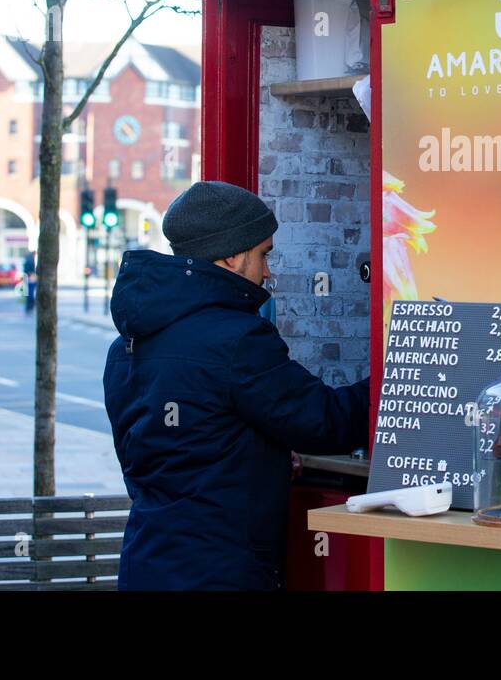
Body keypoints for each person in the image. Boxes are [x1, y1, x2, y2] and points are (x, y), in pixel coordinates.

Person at [103, 181, 369, 590]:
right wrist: (402, 379)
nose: (267, 271)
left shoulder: (124, 348)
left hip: (146, 564)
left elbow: (174, 452)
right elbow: (326, 422)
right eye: (263, 254)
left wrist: (267, 457)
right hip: (220, 573)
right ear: (231, 254)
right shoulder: (238, 340)